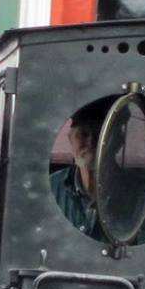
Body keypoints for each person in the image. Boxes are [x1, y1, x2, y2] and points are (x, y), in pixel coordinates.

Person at [50, 97, 114, 240]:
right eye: (83, 134)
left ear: (117, 141)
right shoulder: (52, 187)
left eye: (100, 134)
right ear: (70, 139)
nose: (91, 142)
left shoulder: (139, 194)